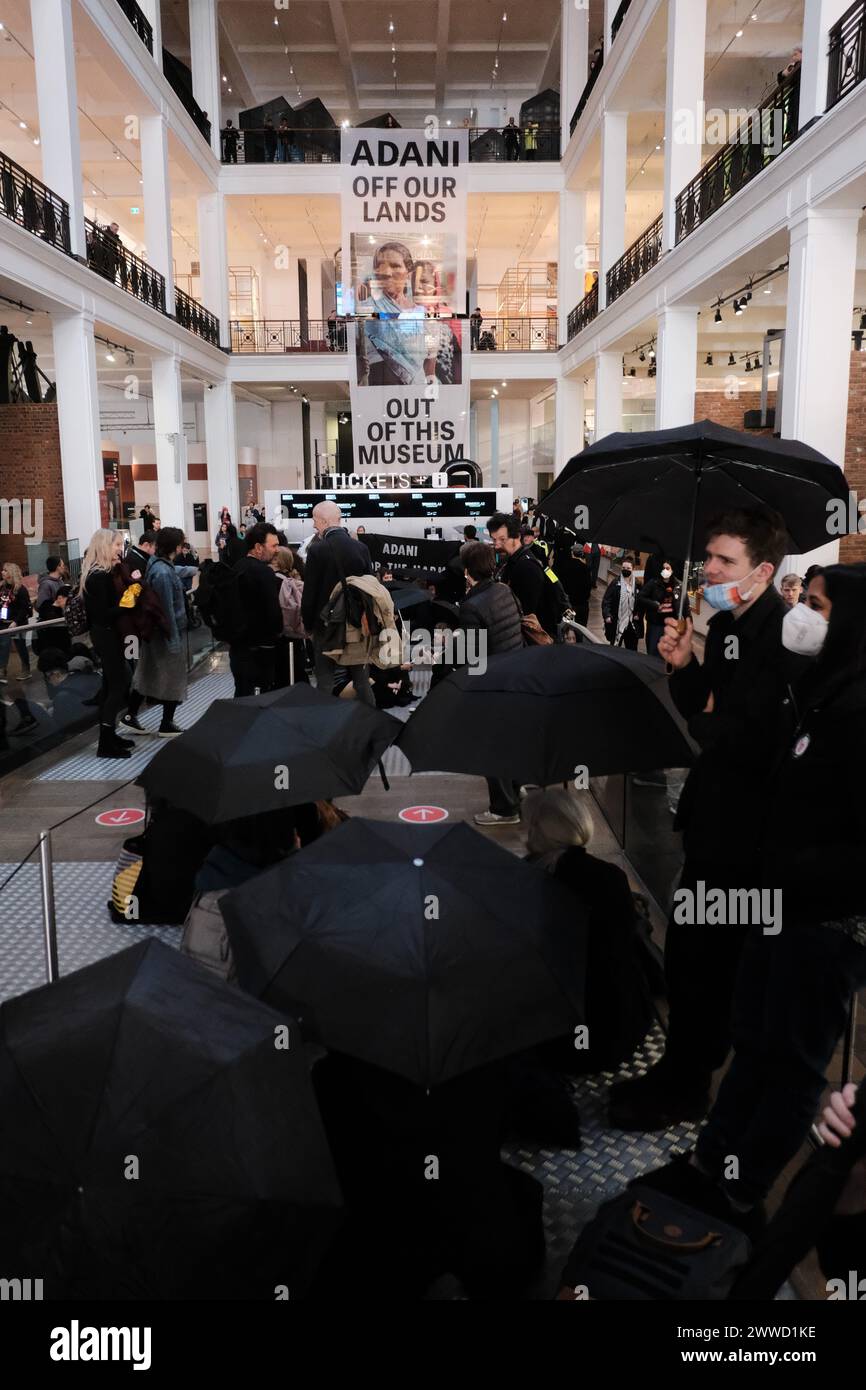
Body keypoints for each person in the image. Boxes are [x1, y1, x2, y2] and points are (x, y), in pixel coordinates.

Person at [609, 507, 805, 1130]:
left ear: (763, 571)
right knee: (691, 956)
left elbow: (755, 741)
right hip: (710, 817)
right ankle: (683, 1067)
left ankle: (691, 1083)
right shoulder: (723, 629)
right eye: (711, 557)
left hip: (749, 836)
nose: (711, 570)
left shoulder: (784, 639)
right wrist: (685, 668)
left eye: (726, 561)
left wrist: (714, 720)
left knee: (713, 965)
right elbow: (703, 712)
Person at [688, 564, 866, 1214]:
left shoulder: (857, 714)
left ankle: (743, 1190)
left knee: (791, 1063)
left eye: (817, 605)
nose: (804, 613)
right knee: (755, 1041)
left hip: (823, 927)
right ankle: (714, 1159)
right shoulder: (819, 694)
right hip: (777, 909)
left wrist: (795, 865)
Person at [522, 788, 653, 1074]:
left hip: (547, 1044)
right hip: (616, 1034)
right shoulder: (611, 878)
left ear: (534, 831)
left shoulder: (521, 882)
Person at [458, 541, 524, 827]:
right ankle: (517, 791)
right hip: (516, 675)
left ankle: (504, 809)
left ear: (467, 571)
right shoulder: (504, 590)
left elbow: (471, 658)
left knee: (490, 747)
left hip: (491, 685)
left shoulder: (472, 606)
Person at [301, 501, 374, 706]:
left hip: (326, 628)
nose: (314, 526)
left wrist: (308, 626)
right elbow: (370, 588)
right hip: (356, 626)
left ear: (324, 521)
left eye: (315, 521)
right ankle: (371, 725)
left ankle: (324, 730)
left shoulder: (317, 550)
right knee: (361, 681)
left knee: (324, 682)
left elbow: (310, 594)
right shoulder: (361, 548)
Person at [120, 527, 189, 737]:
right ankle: (166, 722)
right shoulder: (163, 572)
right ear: (176, 546)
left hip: (158, 633)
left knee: (148, 673)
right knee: (171, 676)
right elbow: (166, 609)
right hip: (166, 634)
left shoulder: (158, 567)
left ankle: (131, 716)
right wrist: (174, 640)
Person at [80, 528, 134, 759]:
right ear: (104, 546)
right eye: (116, 545)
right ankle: (106, 742)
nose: (120, 549)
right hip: (106, 635)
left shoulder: (99, 573)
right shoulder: (99, 576)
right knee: (117, 687)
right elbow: (103, 613)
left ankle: (110, 736)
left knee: (112, 685)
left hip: (105, 634)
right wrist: (129, 600)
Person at [228, 522, 282, 698]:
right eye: (273, 545)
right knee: (264, 694)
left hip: (237, 645)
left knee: (242, 691)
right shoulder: (264, 573)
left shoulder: (237, 568)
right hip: (261, 646)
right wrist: (277, 632)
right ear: (258, 547)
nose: (277, 550)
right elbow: (273, 612)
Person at [488, 511, 555, 637]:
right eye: (494, 539)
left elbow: (527, 613)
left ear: (517, 537)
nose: (497, 545)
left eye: (502, 539)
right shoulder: (510, 561)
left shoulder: (526, 566)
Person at [271, 545, 308, 687]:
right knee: (297, 673)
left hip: (279, 637)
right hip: (296, 635)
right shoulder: (294, 581)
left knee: (281, 677)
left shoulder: (273, 581)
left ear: (276, 561)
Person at [638, 558, 690, 659]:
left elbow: (686, 607)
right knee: (653, 652)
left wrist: (689, 624)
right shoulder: (654, 583)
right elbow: (641, 597)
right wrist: (655, 605)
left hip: (672, 625)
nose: (665, 570)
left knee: (669, 653)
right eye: (663, 568)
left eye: (667, 568)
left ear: (672, 570)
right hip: (655, 624)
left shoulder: (679, 585)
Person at [601, 555, 643, 649]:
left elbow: (641, 602)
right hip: (617, 622)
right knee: (615, 648)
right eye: (623, 568)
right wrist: (607, 615)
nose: (625, 570)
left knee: (631, 649)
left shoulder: (638, 584)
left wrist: (639, 614)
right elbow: (606, 600)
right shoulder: (615, 583)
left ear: (633, 569)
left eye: (628, 568)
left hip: (632, 624)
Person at [0, 563, 33, 680]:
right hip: (3, 622)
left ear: (11, 573)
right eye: (3, 570)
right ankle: (2, 670)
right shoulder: (2, 587)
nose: (2, 572)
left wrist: (16, 621)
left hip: (18, 622)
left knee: (20, 646)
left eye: (5, 570)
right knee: (3, 645)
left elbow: (24, 608)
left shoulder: (20, 589)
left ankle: (26, 669)